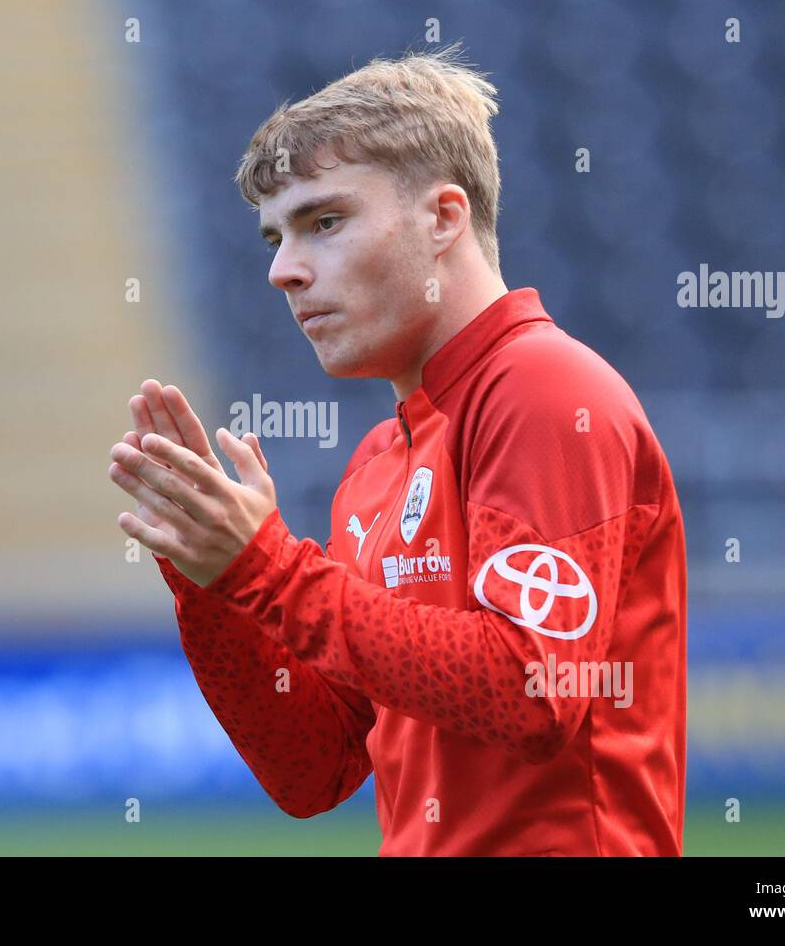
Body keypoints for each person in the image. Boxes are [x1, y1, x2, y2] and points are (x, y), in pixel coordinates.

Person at [107, 44, 687, 856]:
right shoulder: (381, 459)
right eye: (275, 236)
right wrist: (215, 586)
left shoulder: (546, 390)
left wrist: (267, 571)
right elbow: (317, 769)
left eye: (325, 222)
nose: (283, 270)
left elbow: (531, 692)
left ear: (444, 217)